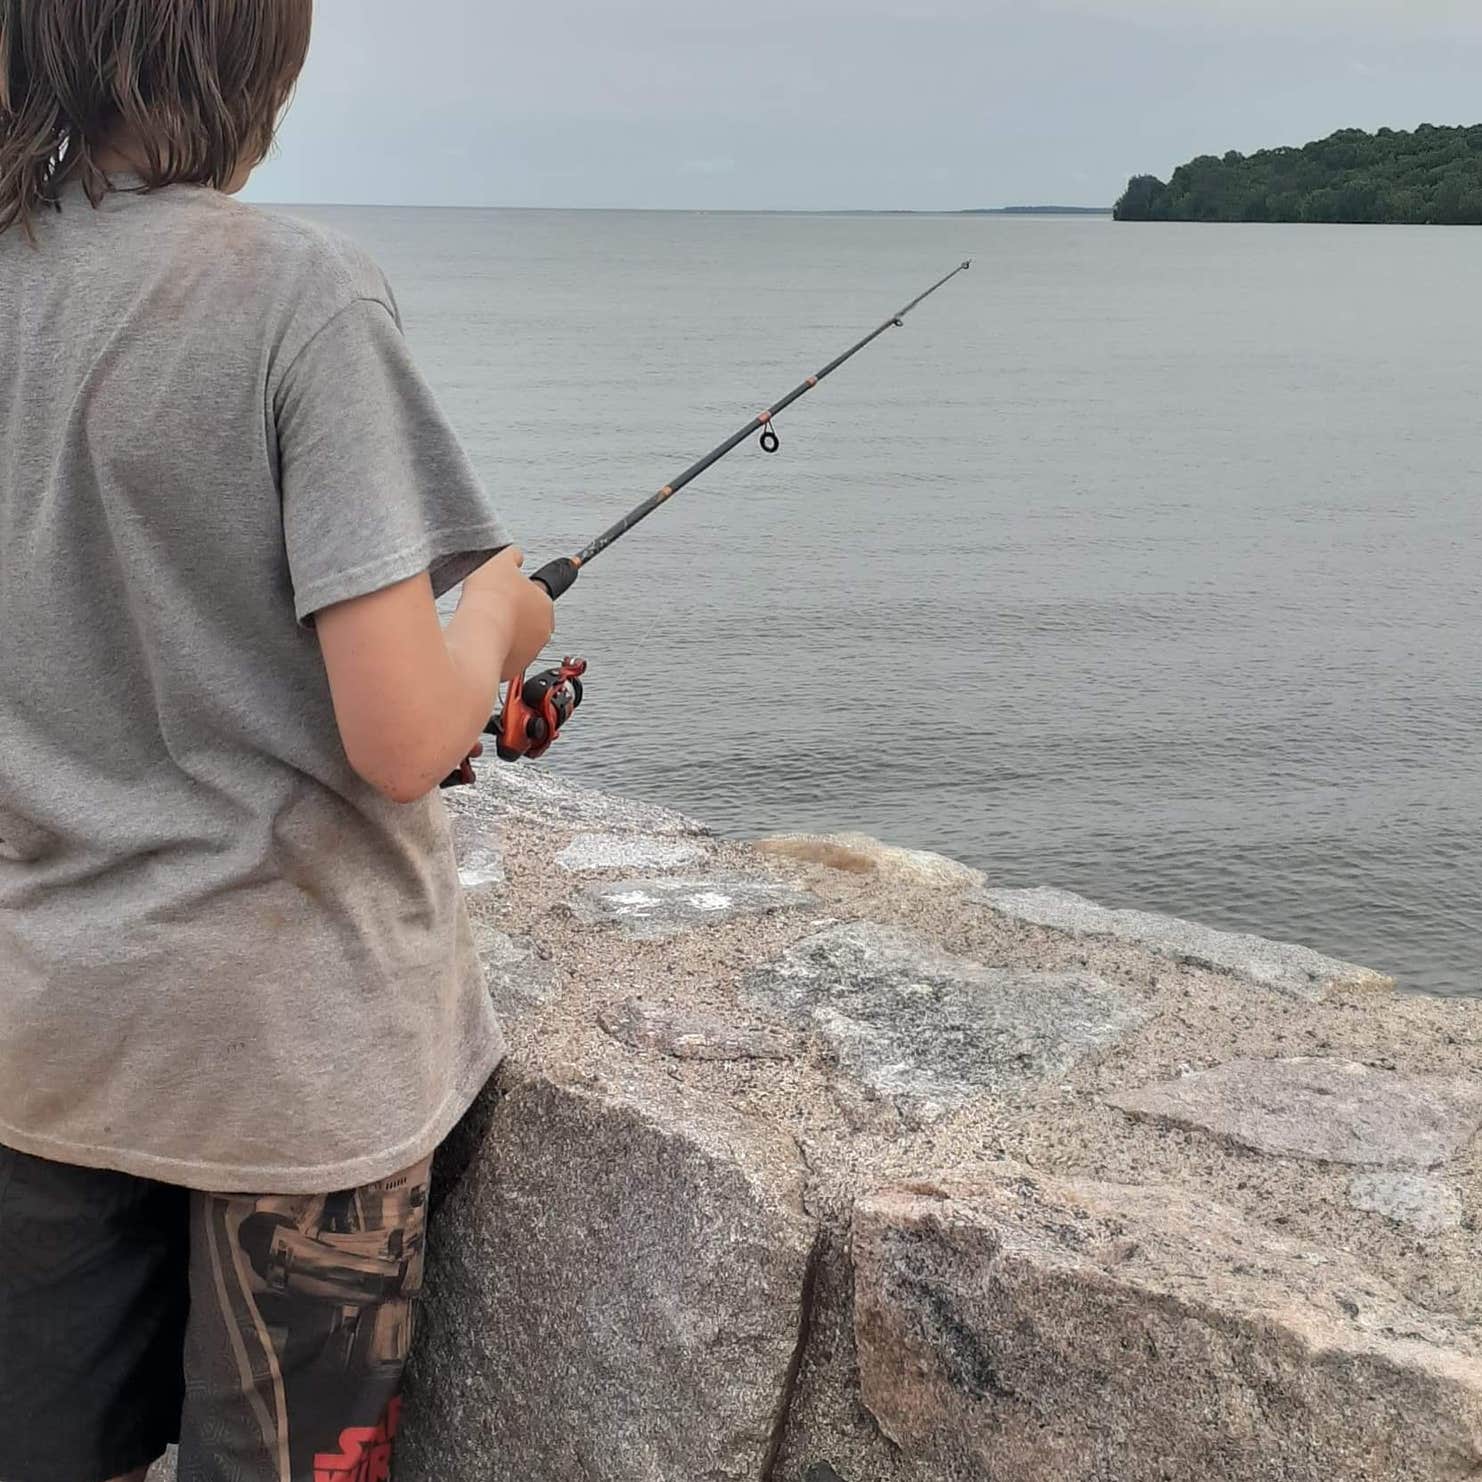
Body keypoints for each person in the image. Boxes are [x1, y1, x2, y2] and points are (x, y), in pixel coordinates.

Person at [0, 2, 554, 1477]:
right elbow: (399, 735)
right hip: (286, 1071)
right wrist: (499, 620)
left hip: (42, 1041)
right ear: (263, 61)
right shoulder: (293, 292)